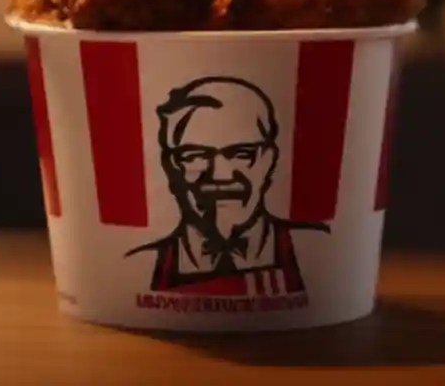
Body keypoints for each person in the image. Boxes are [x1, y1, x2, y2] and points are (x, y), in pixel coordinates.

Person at [127, 76, 328, 295]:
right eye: (195, 155)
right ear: (171, 167)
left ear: (268, 161)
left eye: (242, 154)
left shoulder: (317, 250)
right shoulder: (137, 266)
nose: (220, 175)